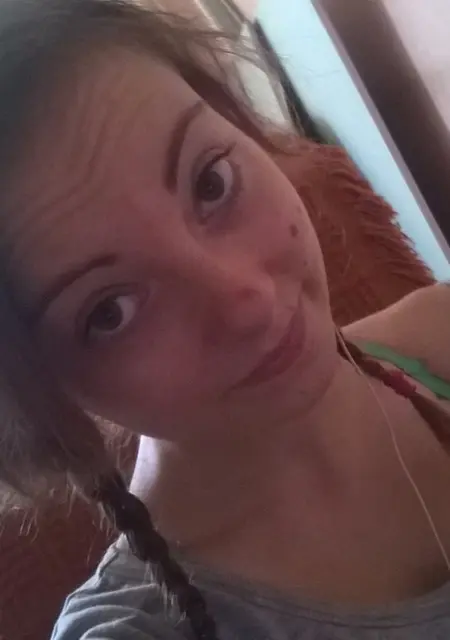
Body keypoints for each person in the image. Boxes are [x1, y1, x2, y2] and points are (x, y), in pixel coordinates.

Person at [0, 0, 450, 638]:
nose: (249, 301)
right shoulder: (134, 626)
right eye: (110, 311)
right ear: (45, 402)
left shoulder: (437, 333)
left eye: (211, 183)